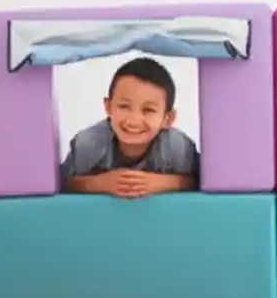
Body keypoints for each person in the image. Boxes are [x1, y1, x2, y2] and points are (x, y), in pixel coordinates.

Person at [60, 56, 199, 198]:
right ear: (108, 107)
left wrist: (163, 183)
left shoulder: (177, 147)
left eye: (148, 110)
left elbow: (198, 182)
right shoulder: (89, 143)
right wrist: (99, 184)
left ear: (167, 119)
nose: (134, 121)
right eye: (124, 107)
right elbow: (64, 183)